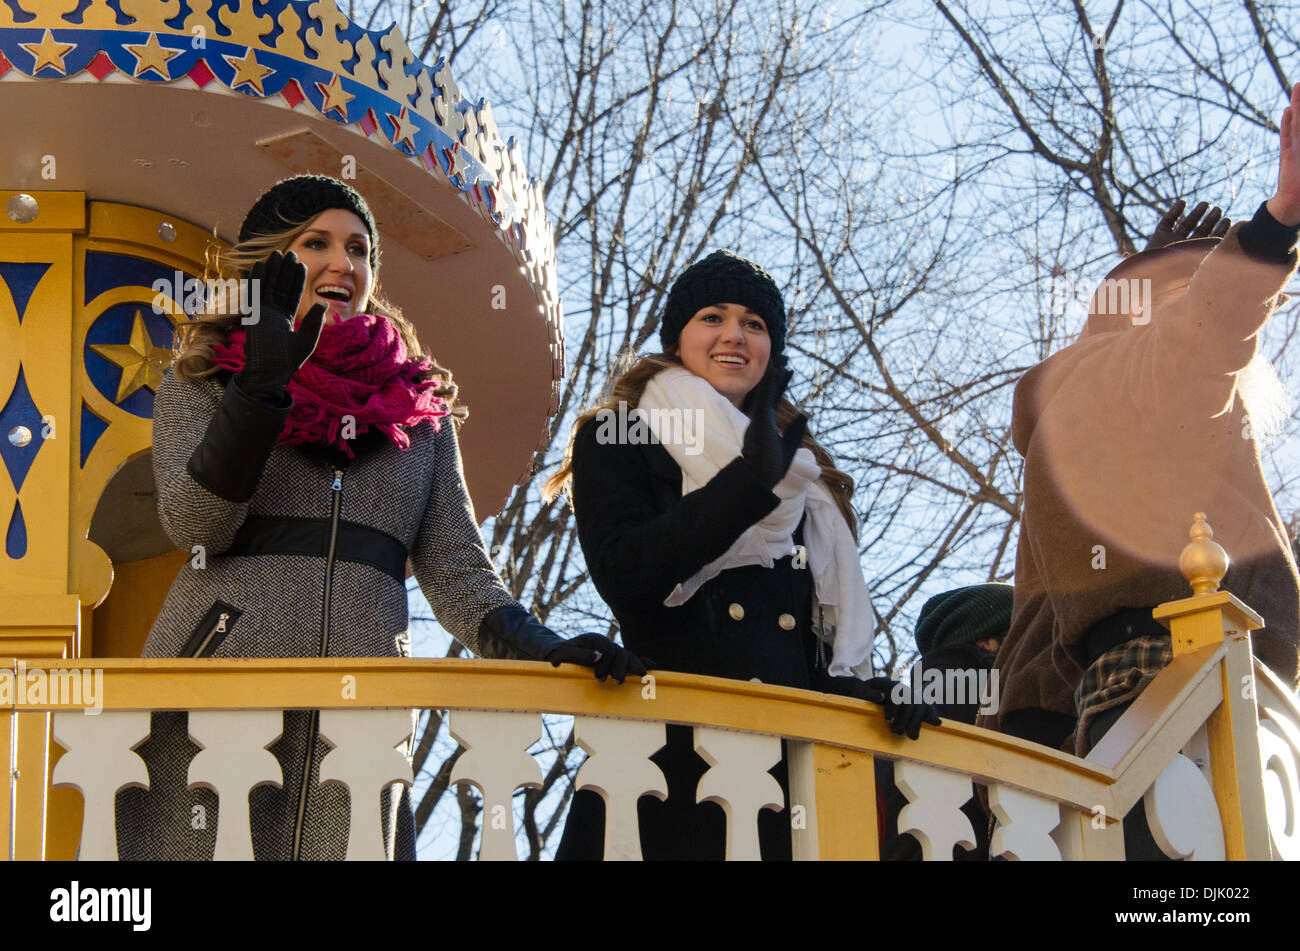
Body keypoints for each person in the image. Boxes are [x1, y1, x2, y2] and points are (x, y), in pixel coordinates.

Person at [121, 174, 644, 861]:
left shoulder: (420, 419)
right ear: (269, 265)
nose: (345, 262)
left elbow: (459, 572)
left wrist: (541, 646)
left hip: (358, 727)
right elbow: (197, 527)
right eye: (316, 243)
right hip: (213, 703)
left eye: (360, 248)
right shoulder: (201, 380)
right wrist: (257, 392)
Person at [545, 250, 938, 860]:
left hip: (785, 782)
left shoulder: (803, 472)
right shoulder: (619, 435)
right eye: (713, 316)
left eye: (755, 324)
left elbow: (800, 648)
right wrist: (746, 485)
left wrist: (862, 695)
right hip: (665, 768)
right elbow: (628, 574)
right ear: (678, 337)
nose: (734, 334)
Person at [986, 83, 1300, 761]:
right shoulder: (1145, 368)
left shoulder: (1115, 395)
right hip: (1178, 688)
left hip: (1188, 702)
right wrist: (1275, 227)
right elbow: (1201, 333)